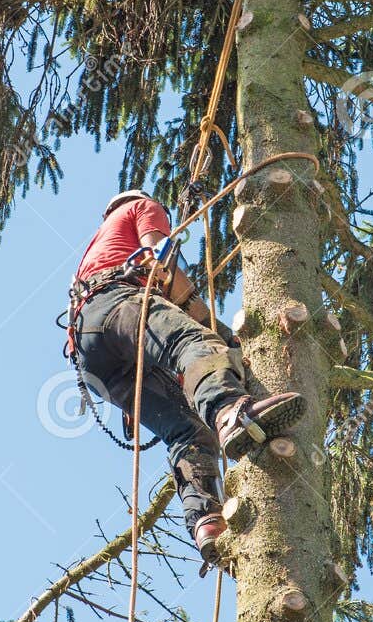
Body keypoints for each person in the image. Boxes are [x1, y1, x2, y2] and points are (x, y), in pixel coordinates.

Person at [67, 189, 304, 571]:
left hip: (92, 359)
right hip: (117, 304)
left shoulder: (97, 245)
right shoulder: (142, 208)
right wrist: (222, 334)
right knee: (193, 342)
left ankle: (207, 524)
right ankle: (230, 413)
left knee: (189, 431)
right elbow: (160, 260)